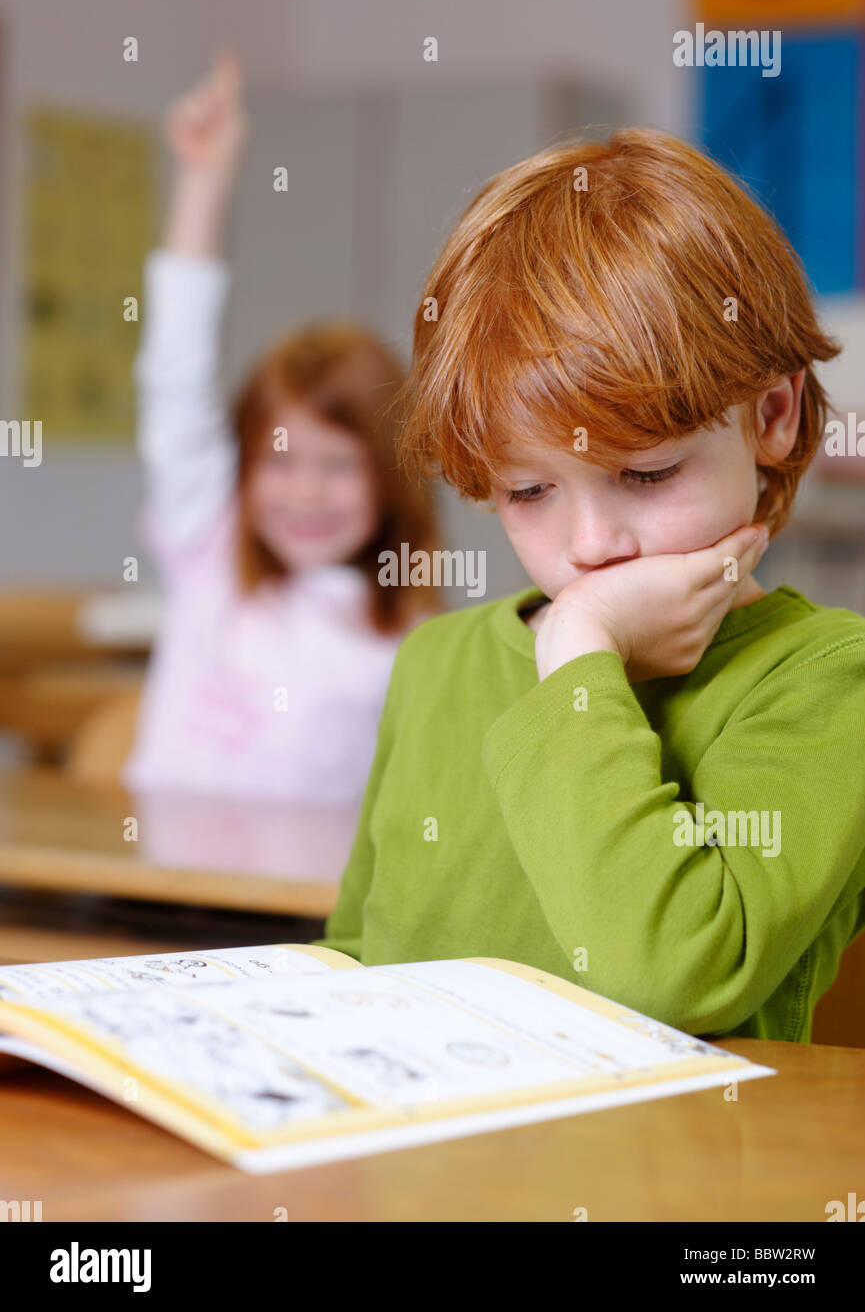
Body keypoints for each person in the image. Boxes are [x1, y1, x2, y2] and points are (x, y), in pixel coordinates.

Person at [314, 127, 865, 1043]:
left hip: (668, 1182)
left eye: (646, 476)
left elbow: (672, 978)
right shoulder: (435, 662)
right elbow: (355, 960)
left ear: (772, 414)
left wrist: (578, 654)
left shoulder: (824, 682)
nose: (592, 545)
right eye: (528, 492)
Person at [124, 53, 440, 801]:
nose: (304, 492)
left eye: (338, 465)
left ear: (390, 477)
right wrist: (203, 184)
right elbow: (175, 377)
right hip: (147, 900)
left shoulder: (411, 635)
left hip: (294, 917)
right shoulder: (212, 549)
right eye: (278, 460)